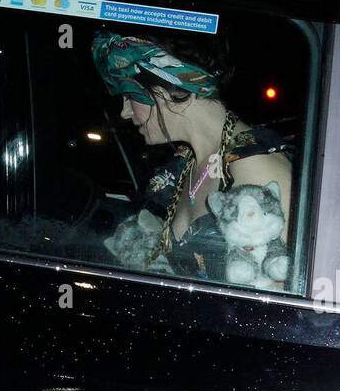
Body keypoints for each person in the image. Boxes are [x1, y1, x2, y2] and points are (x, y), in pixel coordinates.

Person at [90, 30, 293, 280]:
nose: (125, 112)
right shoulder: (187, 163)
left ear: (172, 86)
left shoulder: (256, 167)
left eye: (131, 95)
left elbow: (285, 295)